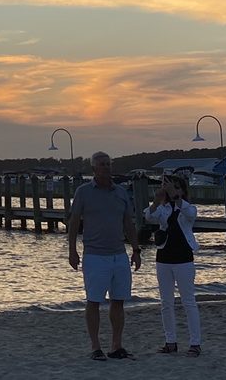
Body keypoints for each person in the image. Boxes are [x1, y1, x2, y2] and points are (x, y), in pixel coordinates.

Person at [68, 151, 142, 361]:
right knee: (94, 301)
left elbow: (129, 223)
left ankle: (116, 346)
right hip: (94, 255)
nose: (106, 168)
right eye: (102, 164)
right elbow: (74, 222)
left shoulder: (120, 192)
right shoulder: (83, 192)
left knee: (118, 301)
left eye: (108, 164)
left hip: (119, 254)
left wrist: (136, 250)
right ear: (93, 169)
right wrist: (72, 250)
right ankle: (95, 346)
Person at [143, 174, 201, 356]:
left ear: (182, 190)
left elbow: (190, 214)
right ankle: (170, 341)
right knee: (166, 302)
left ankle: (195, 343)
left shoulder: (187, 208)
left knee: (188, 301)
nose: (171, 190)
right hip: (164, 259)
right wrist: (157, 199)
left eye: (176, 187)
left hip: (183, 259)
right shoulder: (163, 208)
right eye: (170, 187)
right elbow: (148, 217)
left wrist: (176, 197)